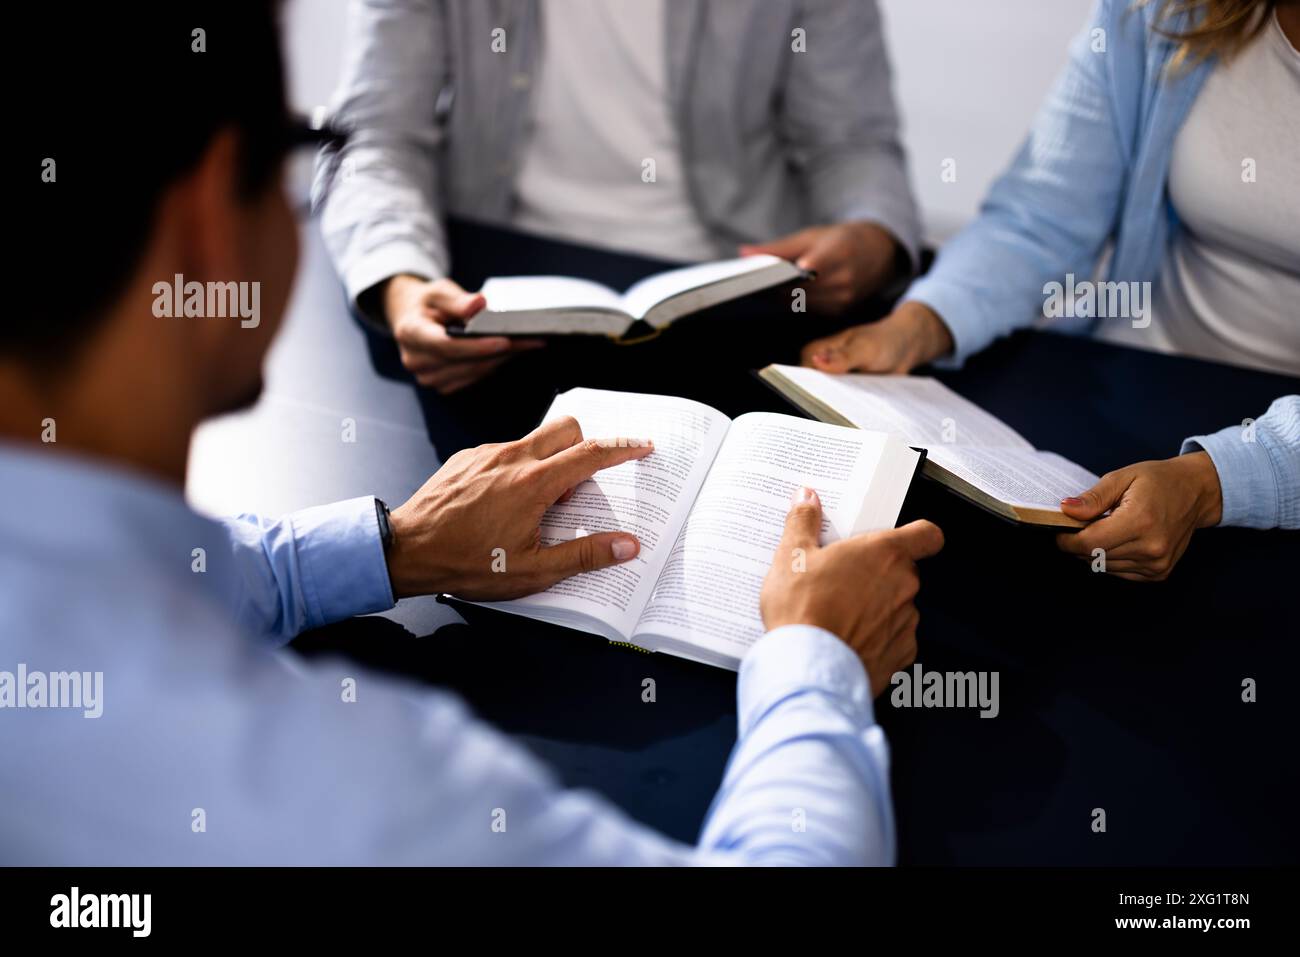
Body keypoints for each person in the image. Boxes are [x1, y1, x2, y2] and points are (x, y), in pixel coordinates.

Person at [3, 4, 943, 865]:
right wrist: (817, 661)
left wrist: (394, 546)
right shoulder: (356, 799)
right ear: (208, 224)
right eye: (297, 146)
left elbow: (205, 573)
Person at [801, 0, 1300, 581]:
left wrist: (1216, 481)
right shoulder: (1159, 11)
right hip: (1131, 384)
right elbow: (1041, 216)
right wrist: (920, 322)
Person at [315, 0, 921, 393]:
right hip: (484, 296)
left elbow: (854, 142)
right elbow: (372, 134)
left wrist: (873, 236)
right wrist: (400, 284)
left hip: (737, 301)